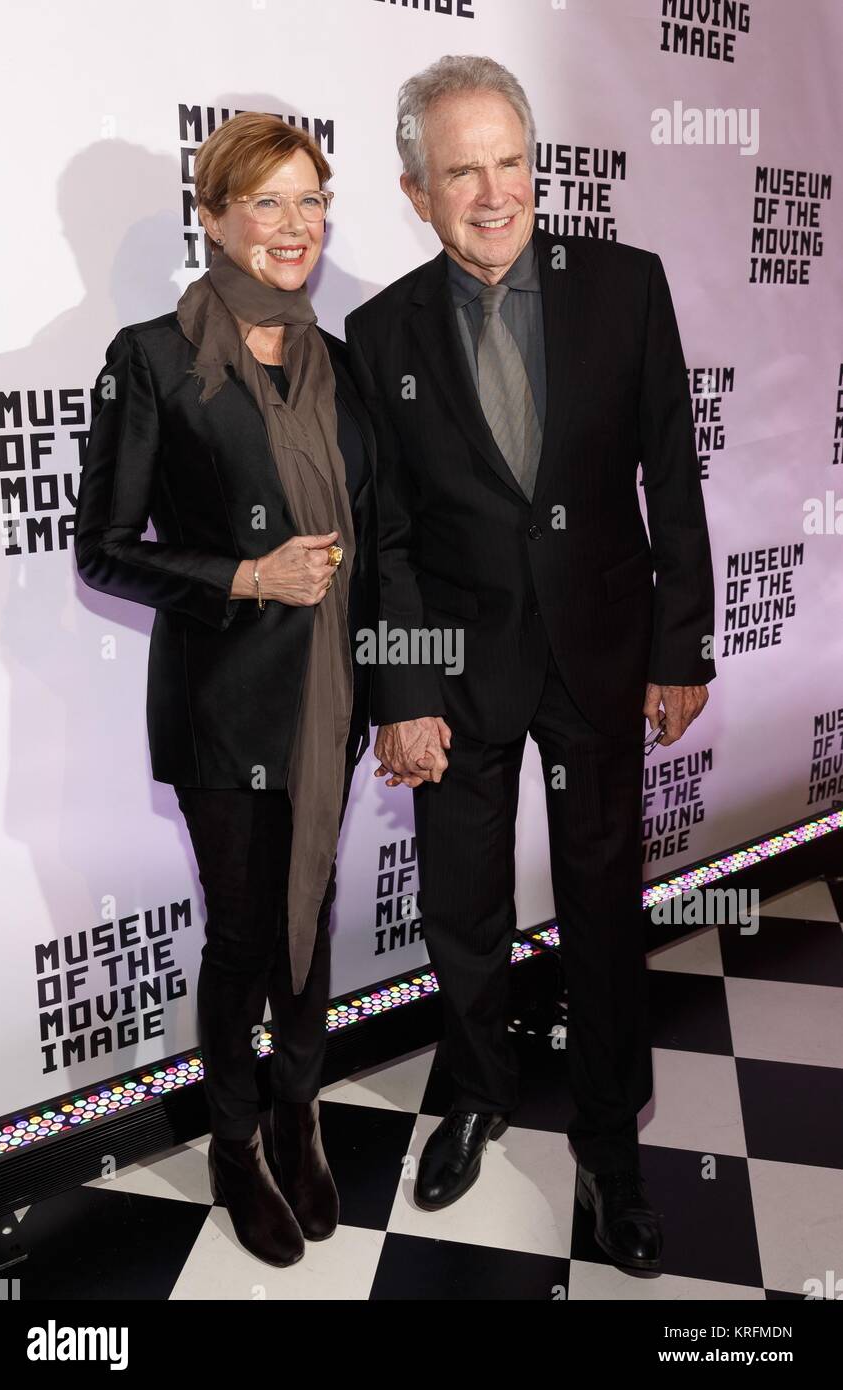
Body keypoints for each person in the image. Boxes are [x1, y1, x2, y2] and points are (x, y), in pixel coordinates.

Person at [345, 55, 715, 1272]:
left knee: (604, 908)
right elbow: (385, 533)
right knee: (460, 907)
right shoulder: (378, 330)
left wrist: (679, 643)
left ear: (534, 165)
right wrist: (400, 693)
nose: (493, 192)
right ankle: (474, 1091)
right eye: (461, 171)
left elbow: (673, 471)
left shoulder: (624, 286)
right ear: (416, 189)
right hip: (454, 671)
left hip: (602, 654)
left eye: (510, 162)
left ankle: (611, 1147)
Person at [74, 112, 377, 1268]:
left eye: (310, 202)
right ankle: (234, 1146)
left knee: (311, 915)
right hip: (221, 704)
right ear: (213, 218)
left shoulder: (335, 363)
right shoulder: (152, 357)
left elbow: (382, 531)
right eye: (266, 203)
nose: (294, 227)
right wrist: (243, 573)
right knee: (245, 930)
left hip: (328, 699)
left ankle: (300, 1116)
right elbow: (100, 546)